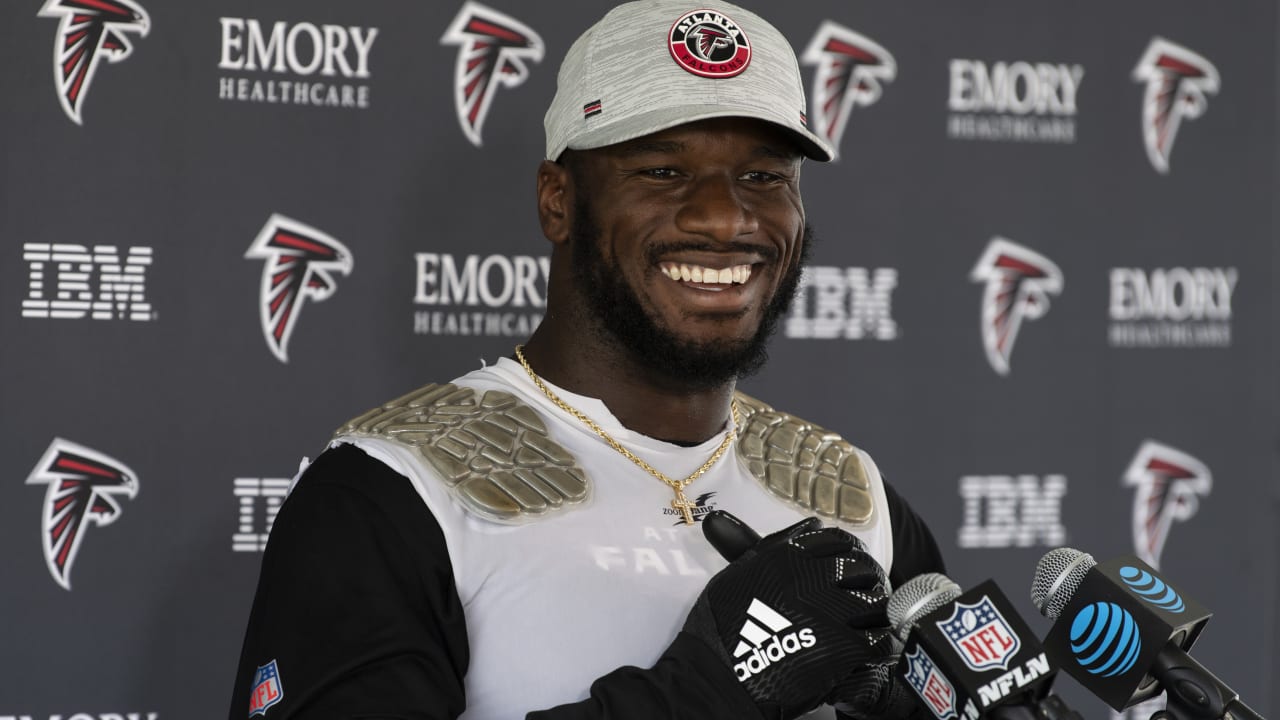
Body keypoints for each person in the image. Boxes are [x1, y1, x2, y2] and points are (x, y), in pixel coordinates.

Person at [229, 2, 945, 718]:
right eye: (664, 171)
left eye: (764, 177)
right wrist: (709, 691)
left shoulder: (850, 495)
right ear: (557, 201)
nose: (726, 218)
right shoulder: (392, 492)